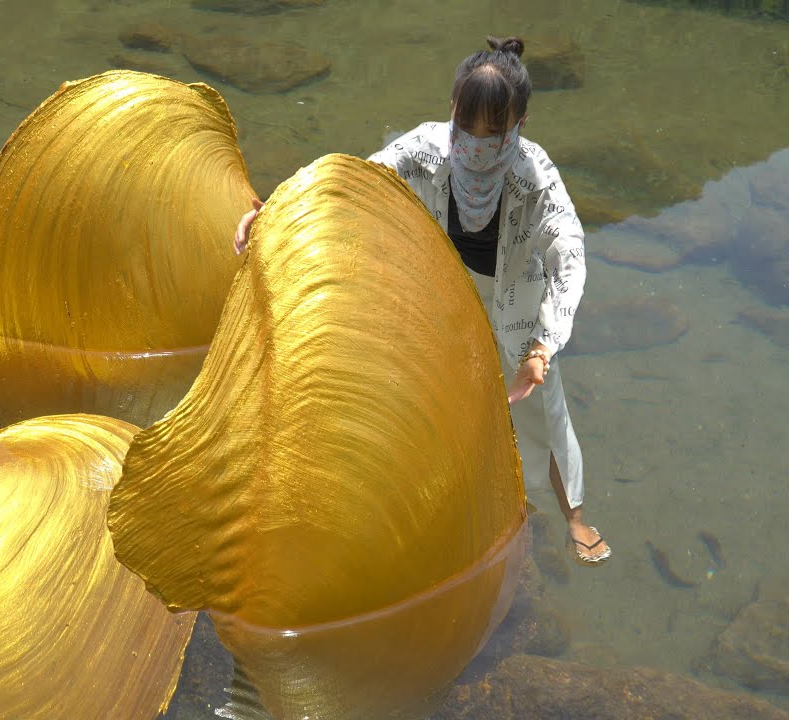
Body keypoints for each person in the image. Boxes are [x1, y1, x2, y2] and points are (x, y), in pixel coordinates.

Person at [233, 35, 610, 565]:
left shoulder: (534, 177)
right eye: (467, 129)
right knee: (430, 403)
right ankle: (442, 507)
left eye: (494, 135)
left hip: (518, 308)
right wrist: (276, 210)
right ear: (451, 109)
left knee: (543, 418)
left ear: (520, 125)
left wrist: (543, 348)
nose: (476, 146)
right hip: (441, 296)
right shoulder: (425, 149)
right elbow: (350, 183)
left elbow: (568, 254)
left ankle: (574, 517)